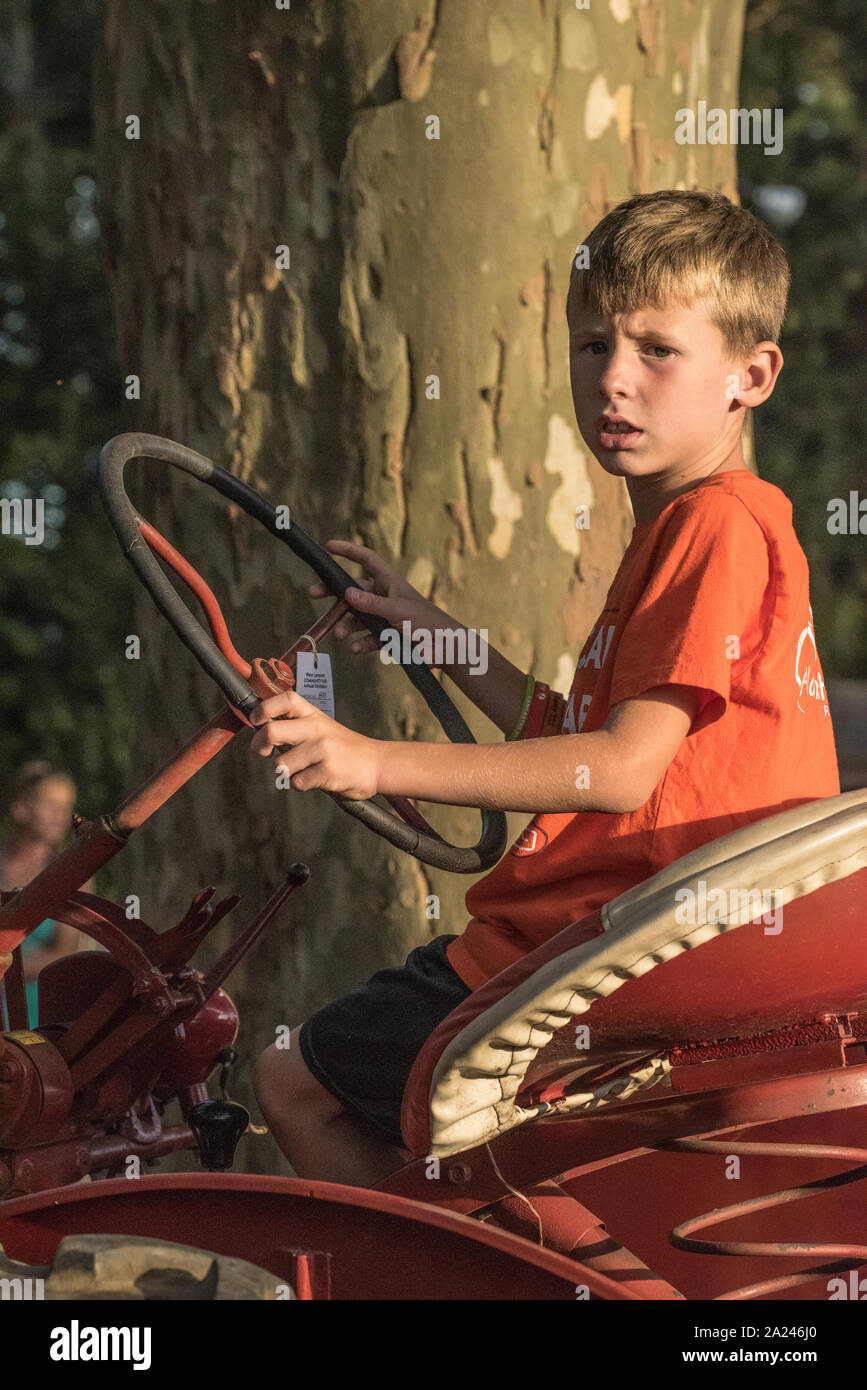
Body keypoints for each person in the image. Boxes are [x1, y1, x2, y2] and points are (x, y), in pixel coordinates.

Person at [250, 190, 840, 1188]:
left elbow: (613, 773)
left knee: (290, 1081)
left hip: (594, 957)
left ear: (753, 373)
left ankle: (437, 1268)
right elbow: (578, 737)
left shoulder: (714, 527)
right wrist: (431, 631)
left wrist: (370, 759)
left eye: (658, 349)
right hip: (637, 943)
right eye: (591, 343)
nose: (613, 378)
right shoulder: (709, 524)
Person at [0, 761, 82, 1026]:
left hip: (36, 1016)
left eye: (66, 807)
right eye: (51, 805)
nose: (62, 815)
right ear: (20, 808)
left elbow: (65, 954)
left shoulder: (72, 874)